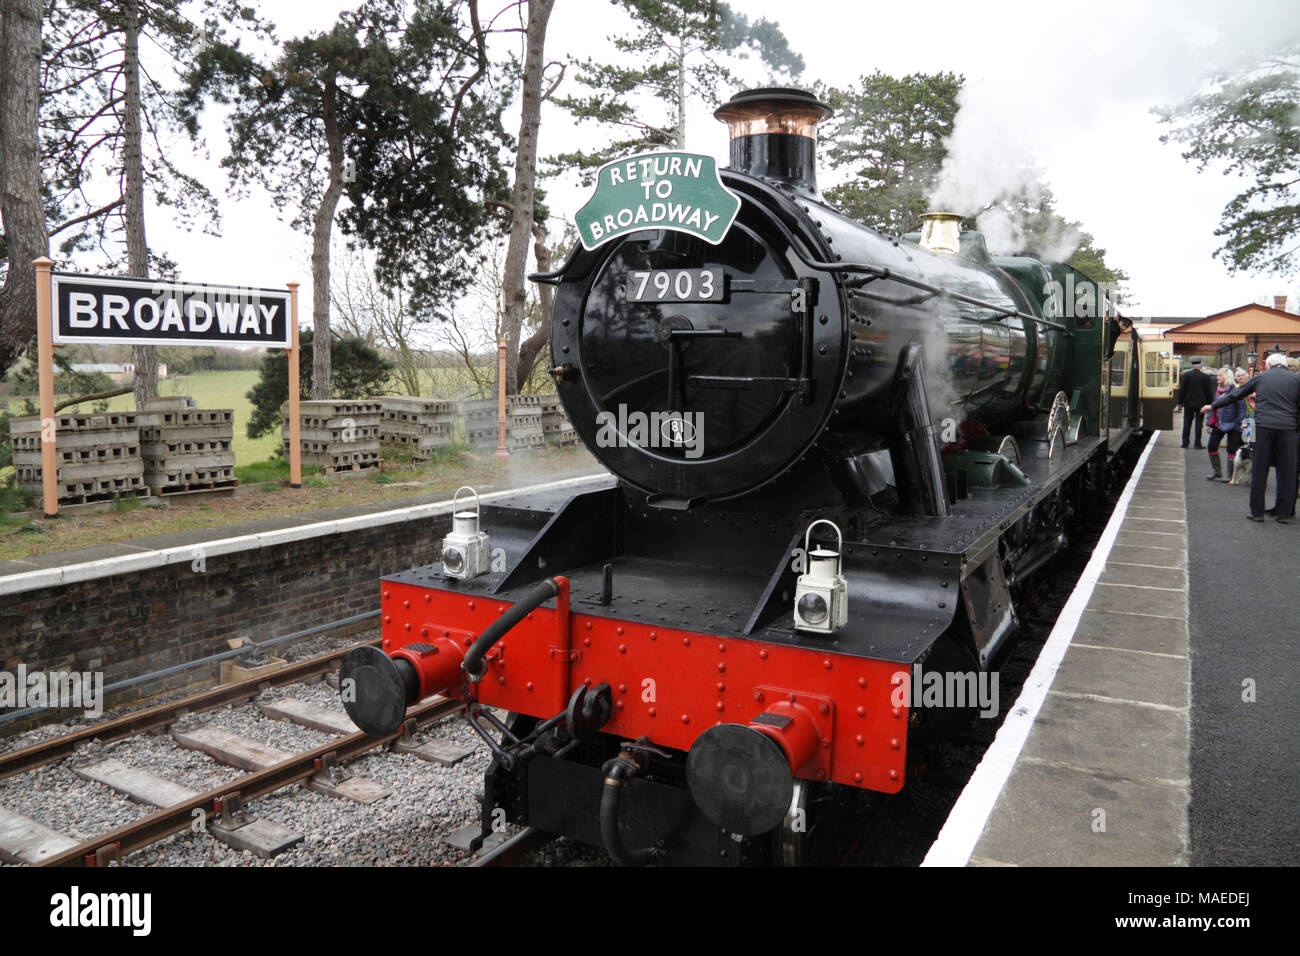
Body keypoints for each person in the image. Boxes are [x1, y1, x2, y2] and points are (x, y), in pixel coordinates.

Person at [1205, 352, 1300, 522]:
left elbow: (1235, 395)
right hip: (1288, 429)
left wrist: (1213, 406)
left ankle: (1257, 512)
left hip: (1263, 428)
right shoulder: (1296, 380)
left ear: (1268, 365)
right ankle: (1284, 514)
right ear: (1285, 365)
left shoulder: (1261, 377)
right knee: (1287, 472)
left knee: (1259, 469)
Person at [1205, 366, 1247, 481]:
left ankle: (1230, 476)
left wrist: (1238, 422)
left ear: (1226, 377)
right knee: (1211, 446)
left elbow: (1242, 408)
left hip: (1234, 425)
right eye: (1217, 375)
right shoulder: (1218, 391)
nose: (1217, 377)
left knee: (1231, 449)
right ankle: (1217, 471)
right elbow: (1213, 407)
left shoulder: (1236, 391)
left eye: (1220, 375)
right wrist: (1209, 423)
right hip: (1218, 423)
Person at [1176, 358, 1215, 448]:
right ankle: (1197, 444)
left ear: (1192, 365)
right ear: (1200, 364)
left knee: (1187, 424)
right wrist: (1210, 404)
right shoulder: (1205, 377)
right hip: (1201, 404)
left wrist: (1180, 402)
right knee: (1199, 424)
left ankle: (1185, 443)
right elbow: (1208, 392)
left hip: (1188, 403)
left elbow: (1182, 390)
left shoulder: (1186, 376)